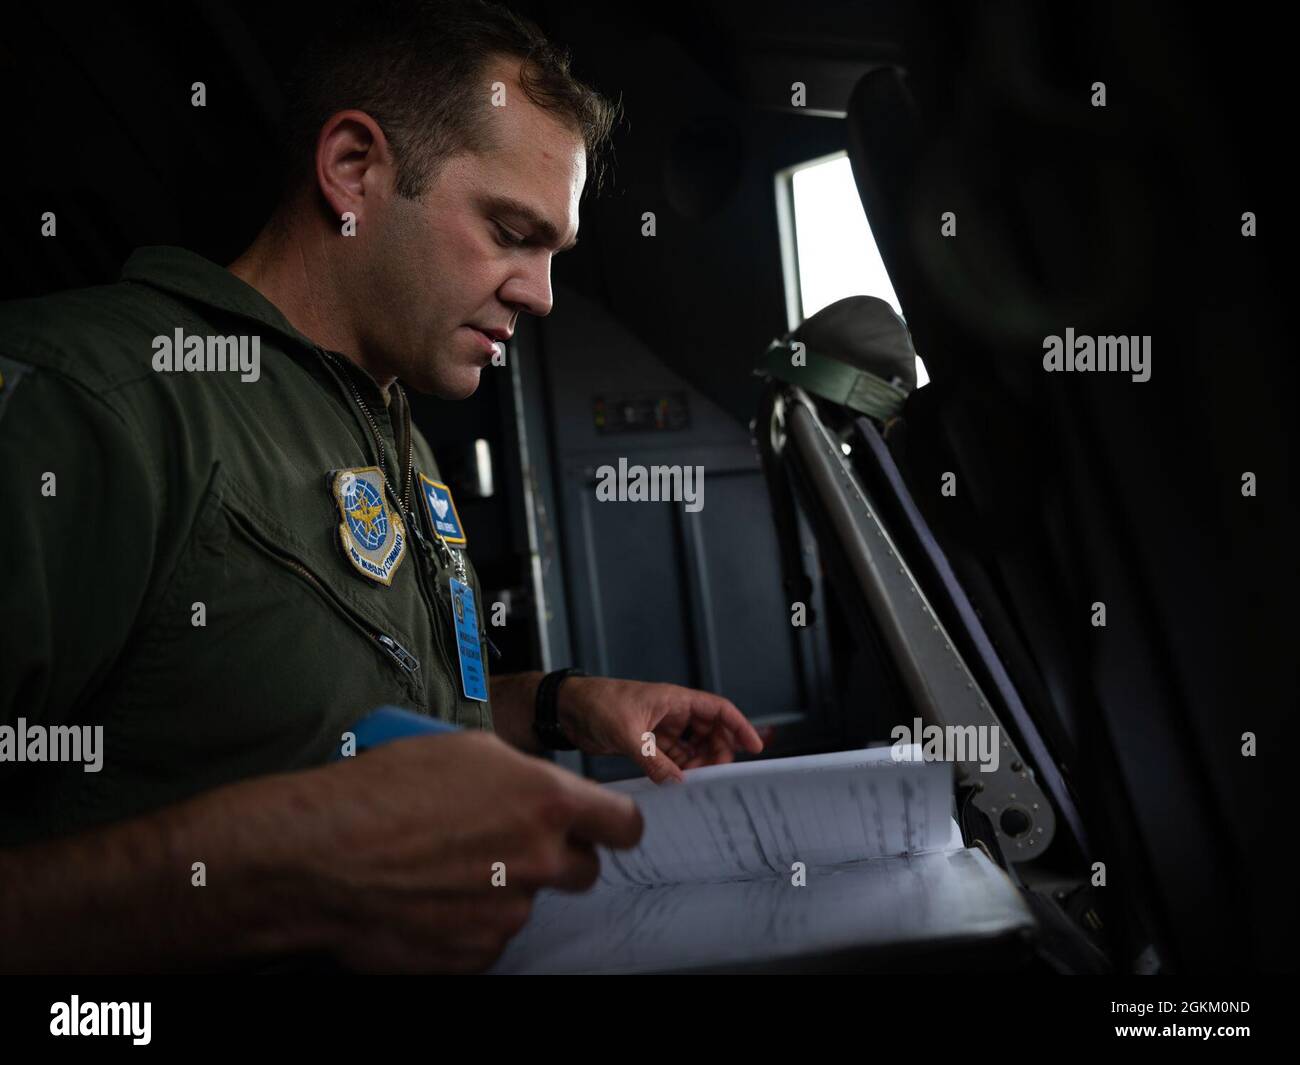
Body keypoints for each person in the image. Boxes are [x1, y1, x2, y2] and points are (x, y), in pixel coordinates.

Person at [0, 0, 761, 973]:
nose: (540, 293)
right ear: (354, 170)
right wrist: (275, 875)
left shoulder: (388, 425)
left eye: (553, 253)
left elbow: (342, 707)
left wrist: (562, 705)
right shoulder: (88, 403)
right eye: (509, 231)